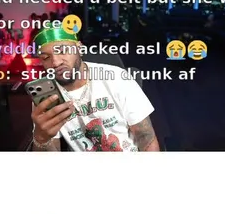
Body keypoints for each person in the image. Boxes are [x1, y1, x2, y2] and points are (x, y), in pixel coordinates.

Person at [28, 24, 161, 151]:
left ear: (79, 49)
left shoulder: (117, 78)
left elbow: (146, 138)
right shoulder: (47, 97)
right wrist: (41, 138)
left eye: (62, 51)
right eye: (46, 58)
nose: (56, 63)